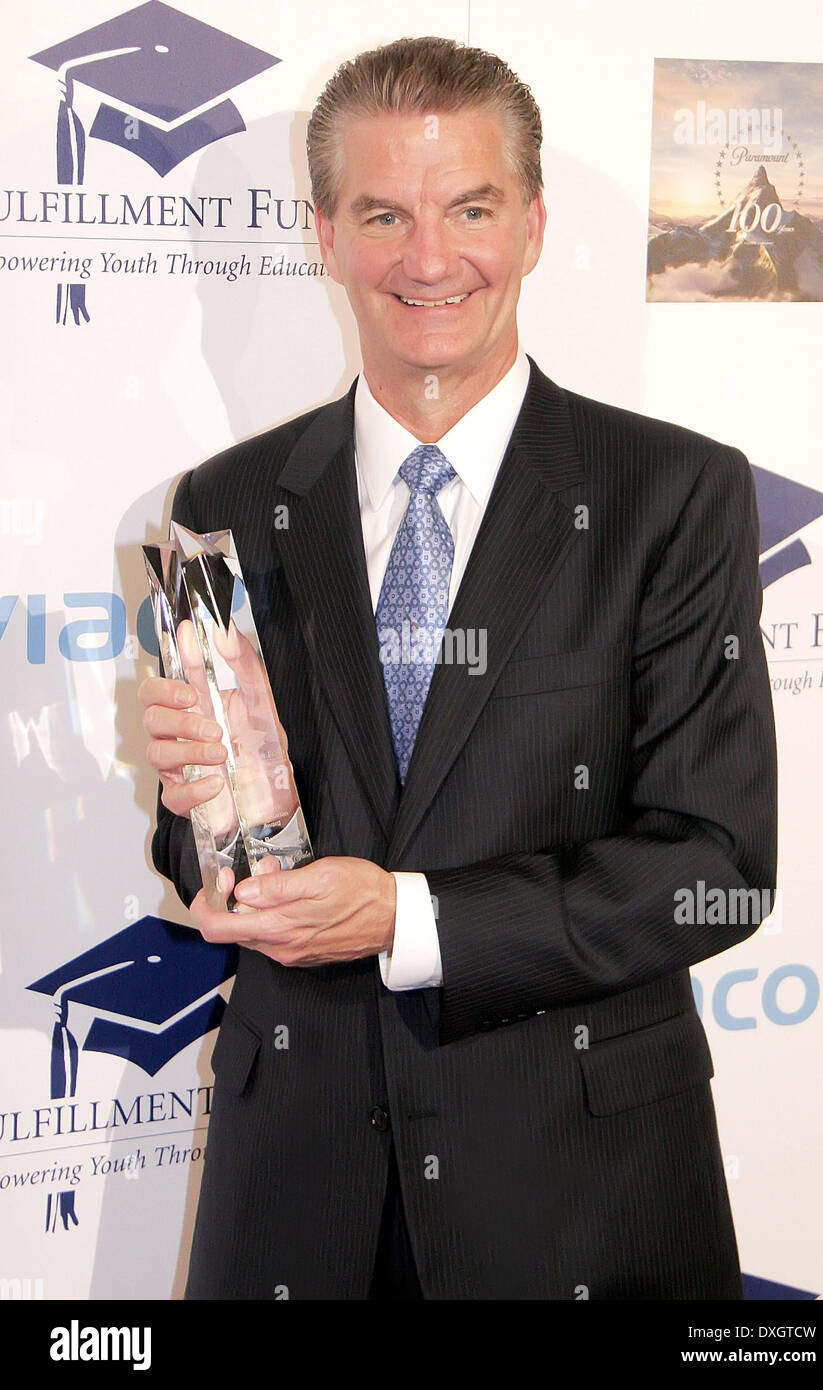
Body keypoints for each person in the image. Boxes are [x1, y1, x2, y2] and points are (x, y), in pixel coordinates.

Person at [138, 36, 777, 1300]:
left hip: (578, 1189)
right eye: (383, 213)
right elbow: (220, 859)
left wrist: (410, 916)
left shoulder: (668, 495)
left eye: (469, 207)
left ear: (532, 224)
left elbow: (715, 867)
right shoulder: (227, 502)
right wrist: (199, 817)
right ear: (324, 235)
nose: (428, 260)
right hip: (299, 1195)